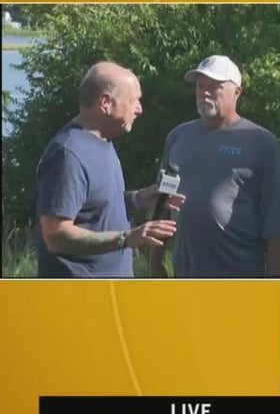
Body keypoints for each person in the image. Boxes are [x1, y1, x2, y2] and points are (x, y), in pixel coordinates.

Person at [34, 62, 182, 278]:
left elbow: (93, 209)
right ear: (105, 103)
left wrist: (137, 199)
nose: (139, 109)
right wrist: (126, 239)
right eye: (133, 101)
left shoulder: (103, 141)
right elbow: (55, 235)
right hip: (79, 293)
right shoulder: (68, 154)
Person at [149, 55, 280, 278]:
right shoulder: (178, 137)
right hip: (186, 276)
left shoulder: (260, 141)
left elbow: (275, 217)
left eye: (214, 86)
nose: (205, 92)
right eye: (200, 86)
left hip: (241, 276)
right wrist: (155, 262)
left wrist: (273, 278)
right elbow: (162, 204)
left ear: (237, 92)